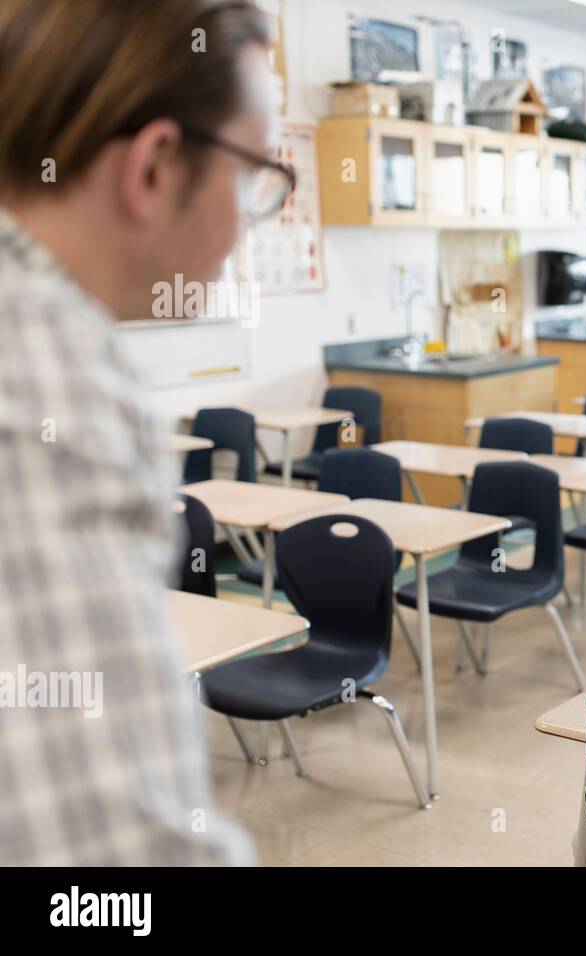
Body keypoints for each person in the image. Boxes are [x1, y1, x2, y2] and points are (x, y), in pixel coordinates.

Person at [0, 0, 287, 864]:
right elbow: (108, 860)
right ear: (157, 165)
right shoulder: (47, 370)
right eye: (251, 176)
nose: (248, 219)